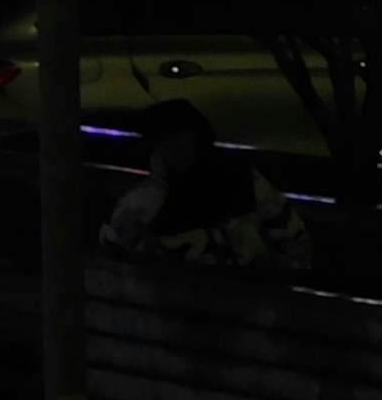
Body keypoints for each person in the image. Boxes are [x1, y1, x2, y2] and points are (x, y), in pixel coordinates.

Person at [99, 99, 309, 275]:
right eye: (168, 143)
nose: (179, 151)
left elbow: (293, 241)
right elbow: (114, 248)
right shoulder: (146, 200)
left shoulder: (239, 180)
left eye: (188, 140)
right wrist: (159, 184)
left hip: (251, 305)